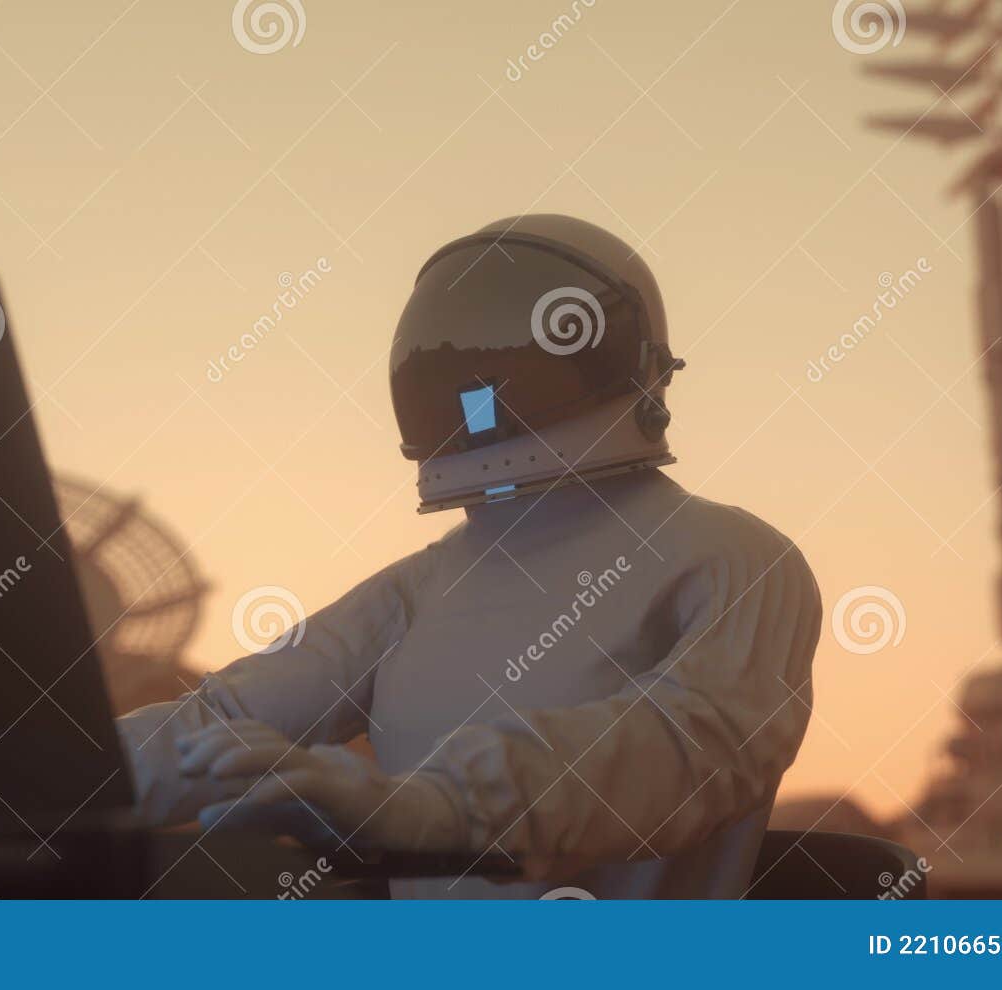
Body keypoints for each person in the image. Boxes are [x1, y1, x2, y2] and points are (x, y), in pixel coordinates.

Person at [117, 215, 823, 898]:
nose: (476, 387)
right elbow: (224, 718)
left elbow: (687, 748)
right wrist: (31, 775)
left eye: (510, 359)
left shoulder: (737, 561)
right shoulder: (417, 589)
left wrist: (437, 807)